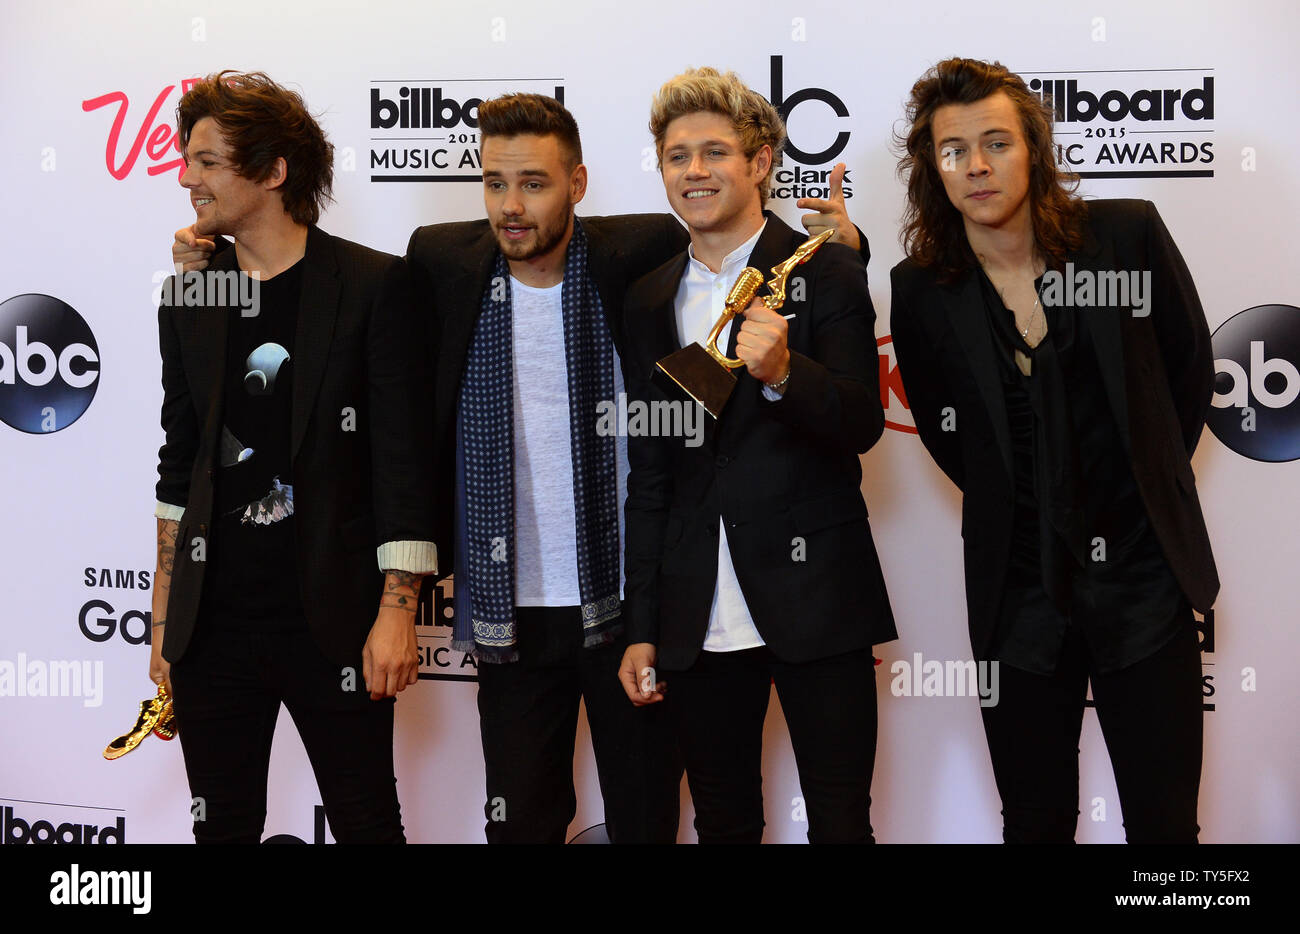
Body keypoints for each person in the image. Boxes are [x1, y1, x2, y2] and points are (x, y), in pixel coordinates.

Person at [174, 90, 866, 844]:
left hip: (628, 606)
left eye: (534, 183)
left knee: (649, 820)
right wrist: (214, 261)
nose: (511, 205)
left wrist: (841, 254)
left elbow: (736, 246)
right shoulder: (437, 263)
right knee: (520, 822)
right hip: (507, 616)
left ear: (577, 185)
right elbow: (320, 301)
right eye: (495, 183)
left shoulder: (642, 255)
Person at [889, 58, 1218, 843]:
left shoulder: (1125, 235)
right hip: (1019, 598)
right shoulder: (922, 287)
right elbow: (945, 431)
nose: (975, 165)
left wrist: (1140, 485)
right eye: (953, 149)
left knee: (1165, 824)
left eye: (996, 142)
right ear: (932, 169)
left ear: (1032, 149)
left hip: (1144, 581)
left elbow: (1187, 375)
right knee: (1034, 823)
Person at [153, 71, 435, 843]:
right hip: (211, 627)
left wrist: (396, 610)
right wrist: (163, 620)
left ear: (274, 172)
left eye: (208, 162)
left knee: (367, 823)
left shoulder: (373, 284)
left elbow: (403, 460)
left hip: (335, 620)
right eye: (189, 159)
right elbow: (180, 464)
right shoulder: (190, 293)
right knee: (223, 827)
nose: (187, 177)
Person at [617, 67, 896, 844]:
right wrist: (642, 623)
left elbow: (863, 424)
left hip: (819, 597)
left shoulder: (827, 268)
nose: (695, 172)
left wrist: (784, 373)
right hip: (694, 613)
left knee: (841, 823)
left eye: (714, 152)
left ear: (761, 161)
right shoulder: (647, 297)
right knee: (723, 821)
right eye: (678, 156)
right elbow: (651, 471)